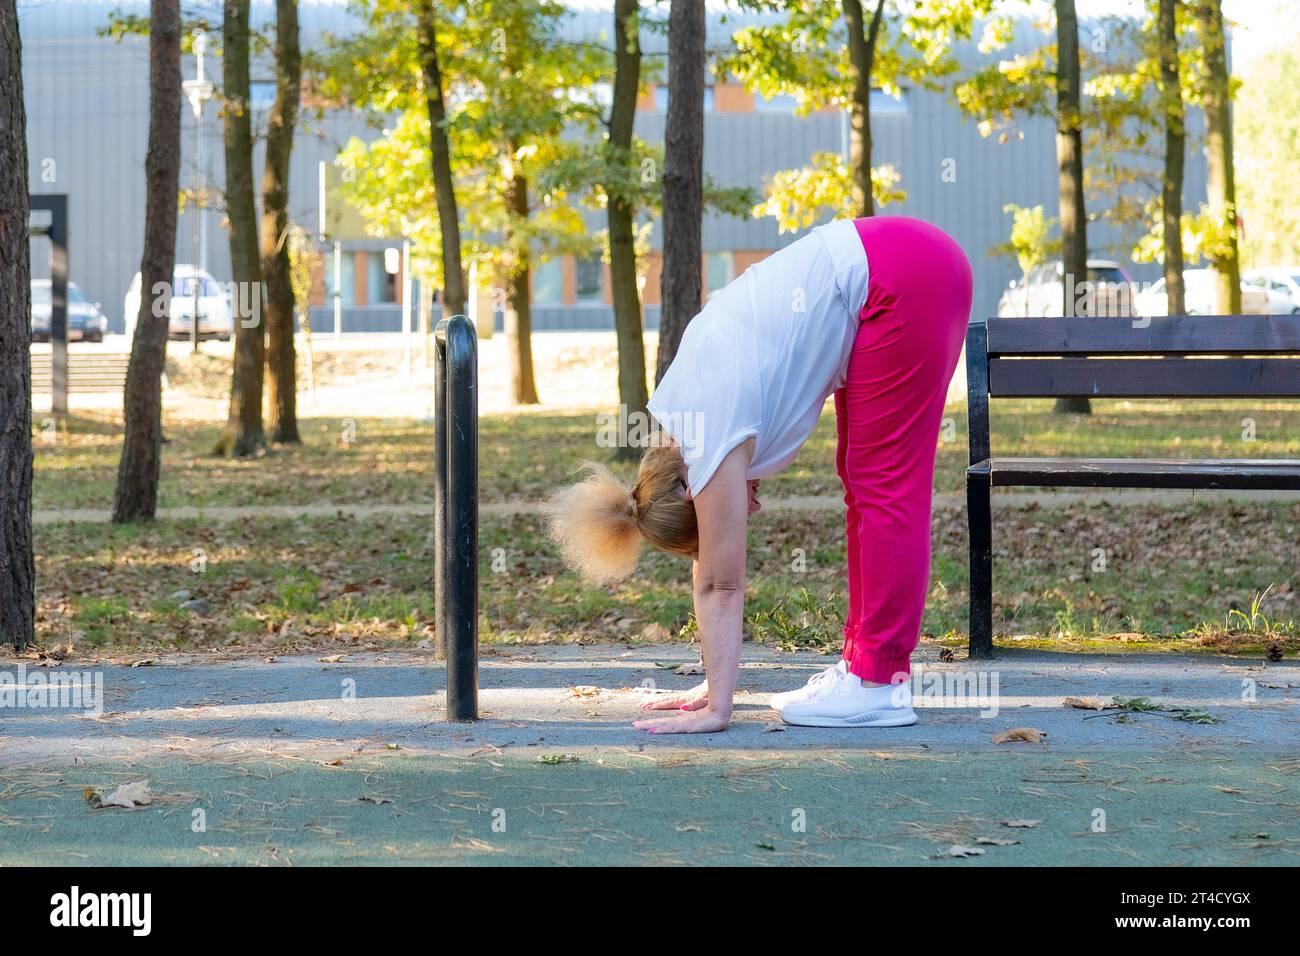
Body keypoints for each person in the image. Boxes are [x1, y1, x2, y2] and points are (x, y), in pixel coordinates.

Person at [548, 216, 973, 734]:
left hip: (901, 276)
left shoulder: (710, 437)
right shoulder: (685, 411)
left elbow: (720, 584)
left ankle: (879, 684)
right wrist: (713, 676)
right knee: (865, 483)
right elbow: (710, 562)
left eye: (714, 514)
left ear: (690, 492)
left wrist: (718, 709)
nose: (749, 511)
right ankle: (862, 666)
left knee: (885, 487)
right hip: (901, 262)